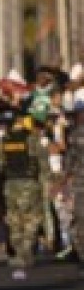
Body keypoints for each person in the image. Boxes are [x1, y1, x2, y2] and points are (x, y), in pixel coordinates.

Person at [0, 112, 51, 280]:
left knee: (14, 219)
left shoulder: (4, 141)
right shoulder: (32, 140)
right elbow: (44, 165)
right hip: (29, 184)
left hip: (10, 184)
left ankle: (19, 252)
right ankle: (26, 252)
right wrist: (45, 186)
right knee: (31, 218)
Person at [65, 102, 84, 276]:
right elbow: (69, 159)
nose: (78, 117)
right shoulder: (74, 134)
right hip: (80, 184)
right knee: (80, 220)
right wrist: (63, 182)